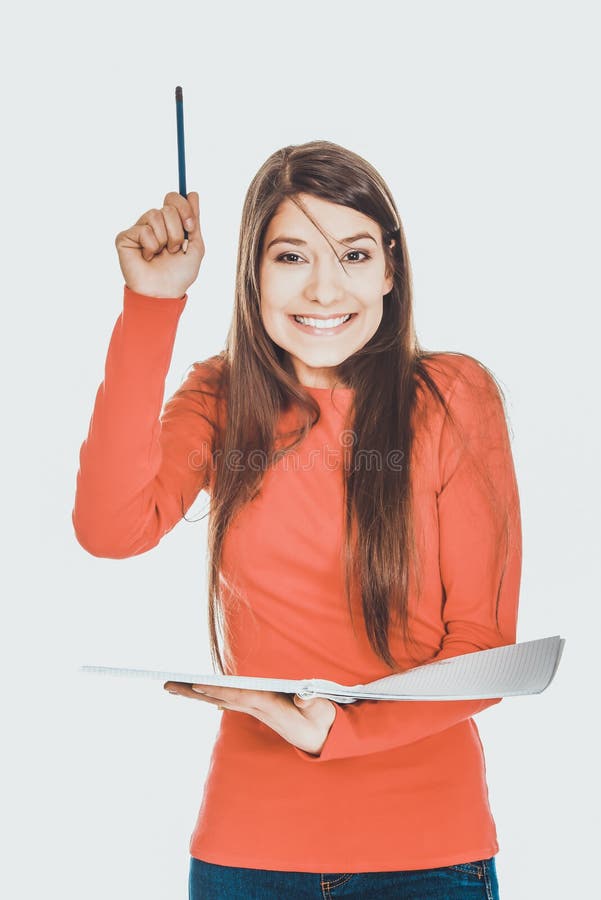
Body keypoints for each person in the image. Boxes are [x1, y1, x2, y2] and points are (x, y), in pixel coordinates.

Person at [73, 140, 520, 899]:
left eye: (350, 254)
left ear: (388, 267)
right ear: (252, 274)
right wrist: (153, 305)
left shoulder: (451, 397)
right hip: (248, 854)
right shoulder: (222, 396)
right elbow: (110, 528)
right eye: (289, 257)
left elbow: (482, 647)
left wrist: (336, 732)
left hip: (427, 857)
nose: (322, 289)